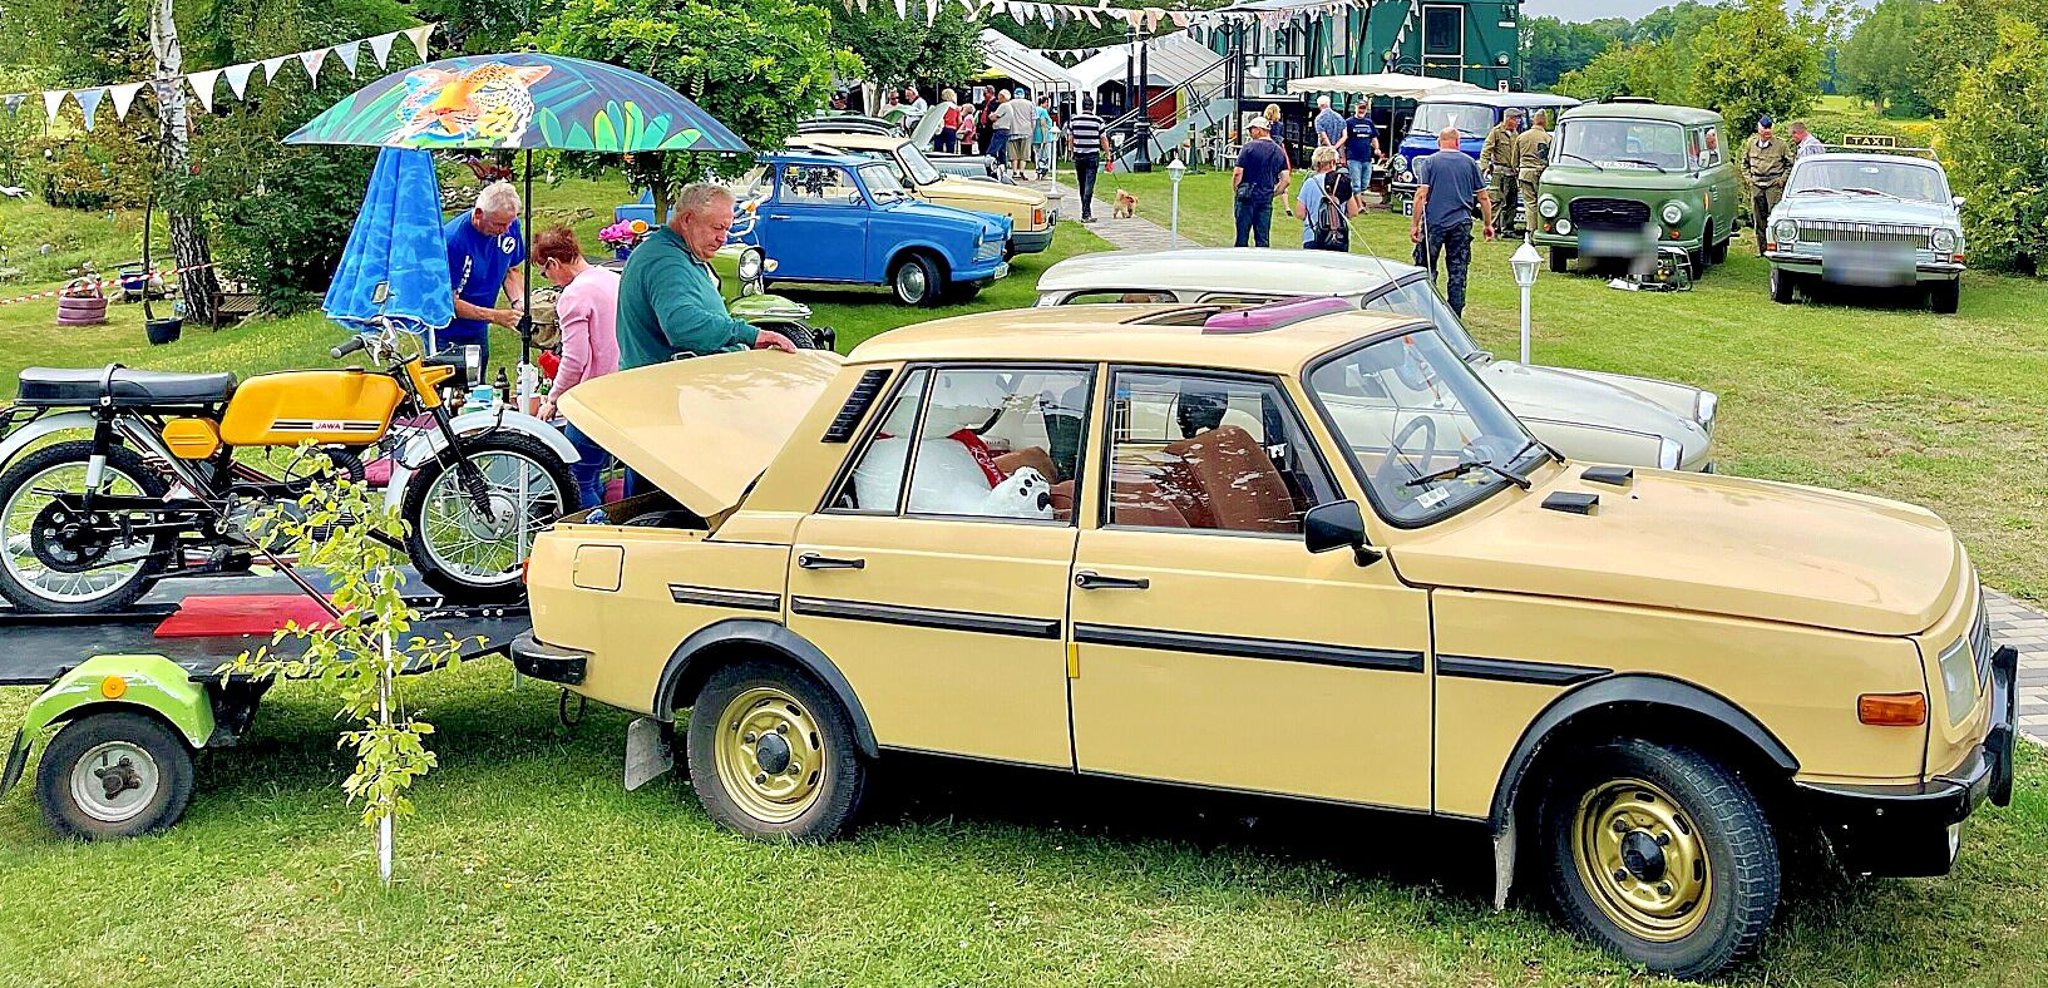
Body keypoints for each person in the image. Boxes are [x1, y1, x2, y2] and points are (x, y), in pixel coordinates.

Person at [616, 183, 798, 371]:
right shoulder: (666, 262)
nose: (723, 238)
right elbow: (682, 326)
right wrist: (749, 335)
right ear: (687, 219)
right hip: (665, 387)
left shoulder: (676, 252)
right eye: (717, 228)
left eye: (726, 229)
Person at [531, 226, 620, 510]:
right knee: (593, 474)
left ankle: (591, 535)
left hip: (593, 398)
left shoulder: (574, 296)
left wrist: (553, 400)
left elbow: (575, 358)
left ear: (553, 263)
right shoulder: (611, 278)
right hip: (621, 387)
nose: (550, 281)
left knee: (577, 478)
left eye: (545, 274)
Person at [1410, 126, 1494, 317]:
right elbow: (1483, 197)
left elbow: (1421, 195)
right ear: (1458, 142)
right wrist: (1488, 224)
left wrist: (1415, 224)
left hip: (1434, 223)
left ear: (1439, 142)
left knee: (1426, 267)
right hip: (1461, 223)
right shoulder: (1470, 163)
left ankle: (1426, 308)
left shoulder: (1429, 163)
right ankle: (1455, 312)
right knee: (1458, 269)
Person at [441, 181, 527, 367]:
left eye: (509, 223)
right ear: (479, 213)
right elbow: (448, 302)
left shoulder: (510, 227)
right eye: (498, 224)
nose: (504, 230)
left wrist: (518, 301)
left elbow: (511, 269)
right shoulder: (452, 242)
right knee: (451, 389)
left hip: (479, 325)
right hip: (446, 330)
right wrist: (496, 316)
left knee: (478, 385)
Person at [1741, 116, 1797, 256]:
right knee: (1759, 218)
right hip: (1757, 184)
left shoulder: (1781, 145)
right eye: (1764, 129)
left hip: (1773, 184)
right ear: (1758, 129)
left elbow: (1790, 164)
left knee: (1774, 216)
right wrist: (1749, 179)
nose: (1767, 131)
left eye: (1769, 128)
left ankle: (1776, 248)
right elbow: (1744, 164)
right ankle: (1762, 249)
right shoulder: (1751, 144)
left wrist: (1782, 180)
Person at [1231, 117, 1290, 248]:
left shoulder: (1248, 148)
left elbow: (1237, 172)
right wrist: (1274, 193)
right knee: (1263, 238)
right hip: (1265, 198)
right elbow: (1286, 179)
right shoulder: (1278, 151)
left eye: (1251, 130)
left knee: (1242, 236)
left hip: (1246, 197)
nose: (1250, 133)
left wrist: (1236, 189)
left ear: (1259, 130)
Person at [1293, 145, 1357, 252]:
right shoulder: (1342, 181)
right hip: (1338, 236)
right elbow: (1353, 212)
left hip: (1312, 235)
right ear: (1333, 162)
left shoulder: (1309, 183)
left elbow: (1300, 213)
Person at [1479, 108, 1522, 238]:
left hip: (1512, 173)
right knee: (1497, 201)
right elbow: (1486, 150)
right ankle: (1492, 228)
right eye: (1516, 119)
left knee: (1511, 202)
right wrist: (1485, 166)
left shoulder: (1515, 134)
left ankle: (1508, 228)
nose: (1518, 122)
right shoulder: (1496, 132)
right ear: (1509, 119)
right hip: (1500, 173)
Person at [1066, 100, 1109, 222]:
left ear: (1082, 106)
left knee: (1082, 183)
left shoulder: (1074, 120)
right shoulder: (1098, 121)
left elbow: (1070, 138)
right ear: (1093, 107)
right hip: (1092, 155)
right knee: (1089, 184)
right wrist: (1108, 154)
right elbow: (1103, 139)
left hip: (1079, 155)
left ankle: (1085, 211)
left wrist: (1071, 151)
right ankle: (1086, 212)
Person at [1514, 110, 1553, 231]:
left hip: (1525, 173)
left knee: (1530, 204)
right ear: (1545, 121)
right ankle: (1542, 228)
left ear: (1533, 121)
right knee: (1543, 203)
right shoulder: (1548, 138)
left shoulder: (1522, 136)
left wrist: (1517, 170)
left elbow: (1514, 159)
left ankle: (1531, 230)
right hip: (1541, 174)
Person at [1342, 100, 1381, 205]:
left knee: (1364, 183)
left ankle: (1354, 201)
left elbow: (1374, 137)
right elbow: (1343, 140)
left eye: (1363, 108)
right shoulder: (1348, 122)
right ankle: (1359, 206)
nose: (1361, 110)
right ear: (1355, 108)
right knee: (1356, 184)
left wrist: (1377, 148)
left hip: (1367, 158)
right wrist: (1343, 156)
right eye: (1360, 108)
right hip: (1353, 157)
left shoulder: (1369, 123)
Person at [1000, 88, 1036, 178]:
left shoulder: (1009, 104)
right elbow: (1034, 119)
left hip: (1012, 130)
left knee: (1013, 154)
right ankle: (1022, 171)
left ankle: (1015, 172)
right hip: (1026, 130)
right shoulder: (1030, 104)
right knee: (1024, 154)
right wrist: (1032, 130)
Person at [986, 90, 1014, 176]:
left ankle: (989, 167)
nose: (998, 97)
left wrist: (990, 115)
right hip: (1006, 130)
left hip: (1000, 130)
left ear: (1003, 97)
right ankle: (1003, 170)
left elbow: (994, 117)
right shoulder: (1009, 106)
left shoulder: (1003, 106)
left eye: (999, 96)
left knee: (992, 150)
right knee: (1002, 151)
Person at [1032, 96, 1057, 176]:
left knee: (1037, 154)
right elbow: (1043, 124)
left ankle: (1038, 168)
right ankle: (1045, 170)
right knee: (1046, 154)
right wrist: (1044, 137)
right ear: (1044, 102)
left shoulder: (1035, 110)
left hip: (1035, 136)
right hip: (1045, 135)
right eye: (1047, 102)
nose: (1048, 104)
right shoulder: (1043, 111)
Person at [935, 88, 961, 153]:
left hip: (941, 128)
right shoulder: (956, 108)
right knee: (950, 149)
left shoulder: (940, 106)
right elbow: (959, 121)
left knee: (938, 148)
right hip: (951, 129)